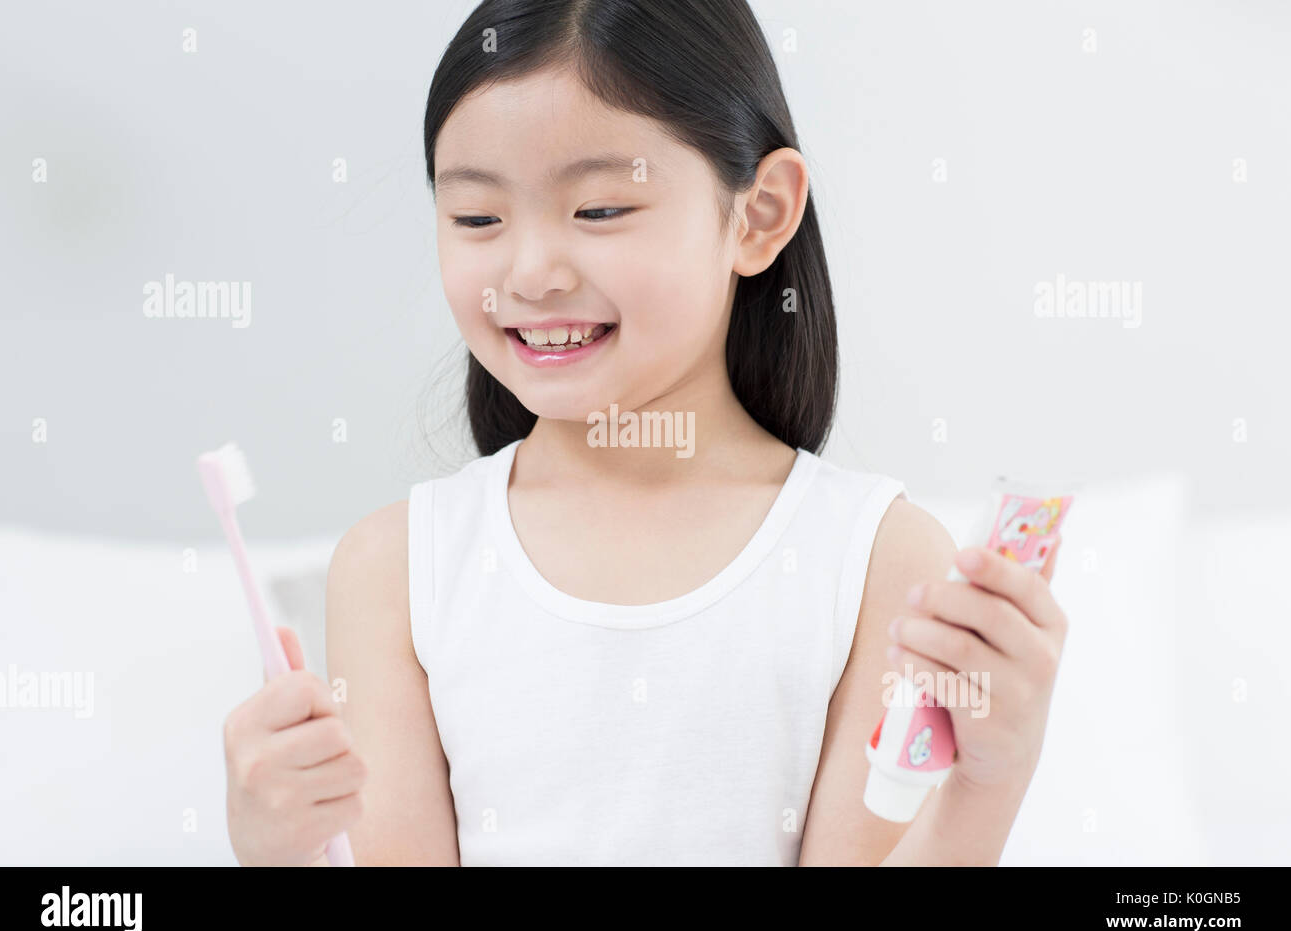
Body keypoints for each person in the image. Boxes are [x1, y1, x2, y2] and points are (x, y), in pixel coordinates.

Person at [224, 0, 1069, 866]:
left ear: (759, 214)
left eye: (598, 211)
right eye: (477, 219)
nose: (531, 273)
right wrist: (276, 851)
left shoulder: (878, 561)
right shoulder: (395, 570)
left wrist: (986, 784)